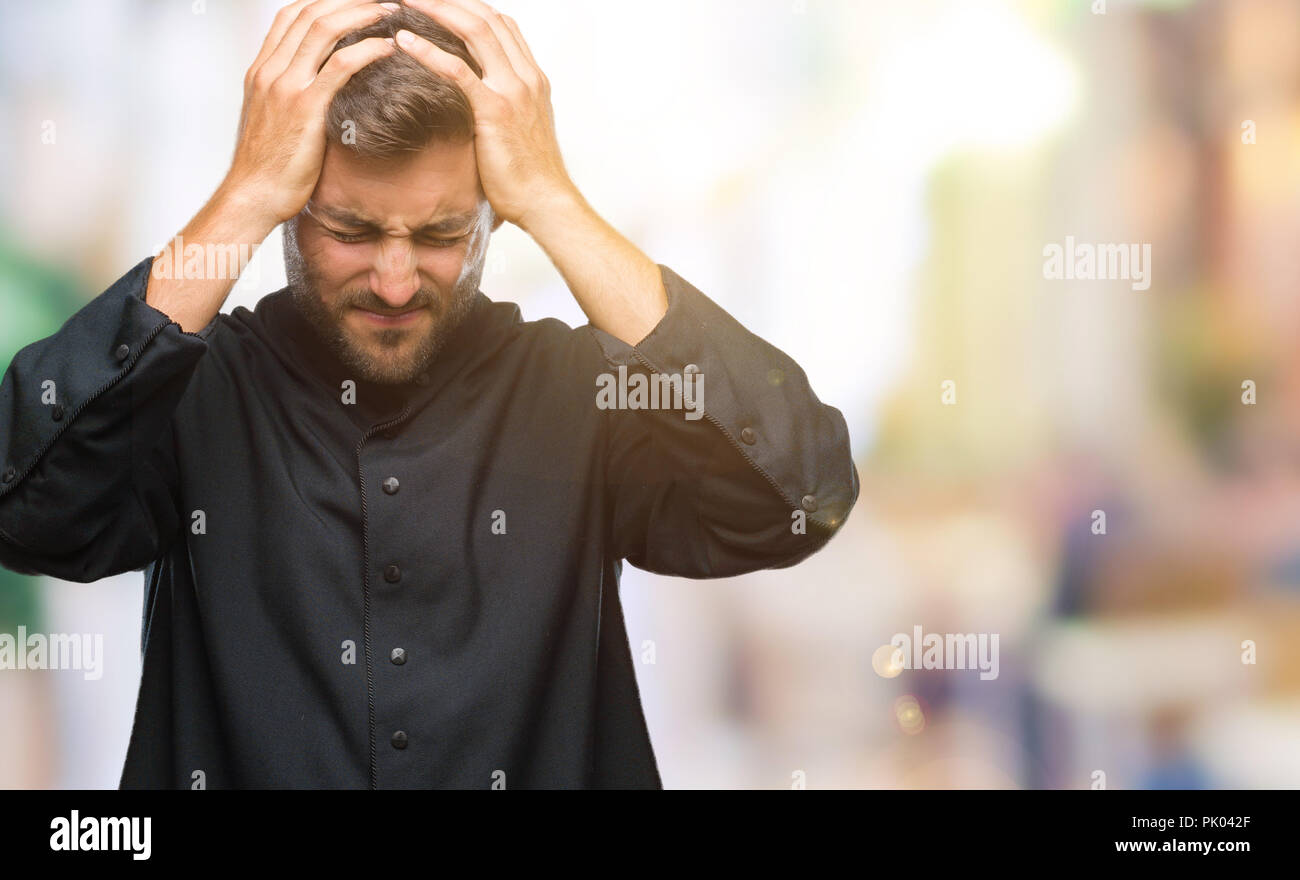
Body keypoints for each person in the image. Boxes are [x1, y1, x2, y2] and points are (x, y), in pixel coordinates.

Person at [0, 0, 858, 789]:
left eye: (444, 233)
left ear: (492, 211)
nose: (398, 279)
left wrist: (555, 200)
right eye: (352, 230)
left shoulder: (581, 397)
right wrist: (243, 194)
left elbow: (799, 496)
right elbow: (25, 508)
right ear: (293, 210)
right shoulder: (193, 392)